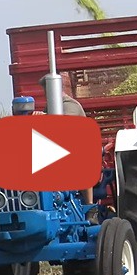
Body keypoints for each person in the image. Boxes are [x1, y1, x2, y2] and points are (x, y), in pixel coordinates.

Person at [39, 73, 95, 206]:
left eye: (47, 89)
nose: (45, 93)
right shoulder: (50, 107)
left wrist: (43, 117)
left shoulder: (70, 105)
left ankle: (90, 207)